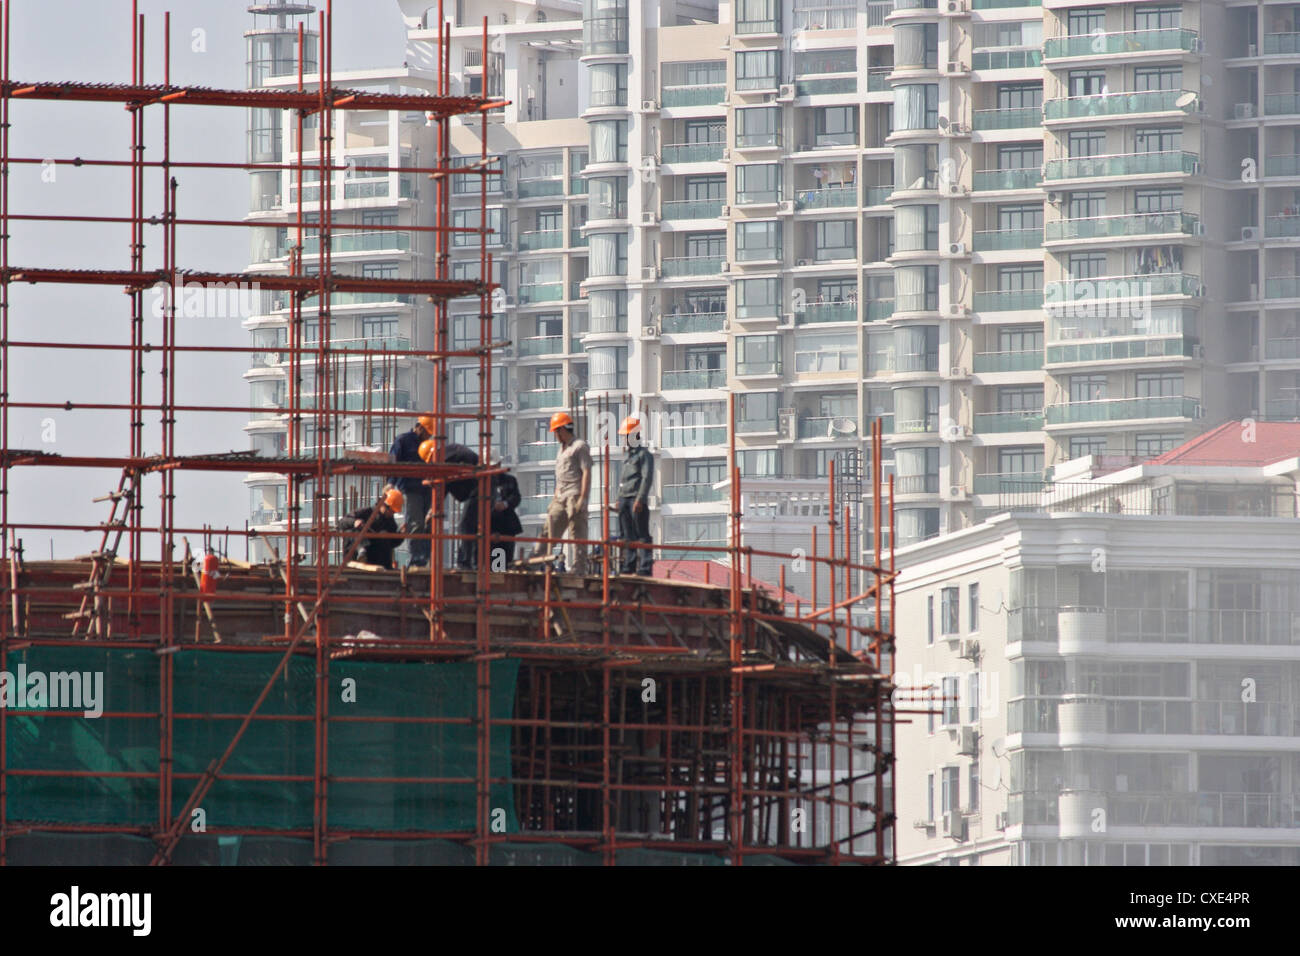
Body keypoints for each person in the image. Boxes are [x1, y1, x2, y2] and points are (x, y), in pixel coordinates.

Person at [537, 411, 591, 574]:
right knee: (549, 529)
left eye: (556, 432)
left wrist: (583, 498)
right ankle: (537, 561)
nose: (555, 435)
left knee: (577, 533)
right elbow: (559, 477)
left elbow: (586, 472)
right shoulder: (561, 450)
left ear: (562, 430)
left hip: (574, 494)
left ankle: (579, 569)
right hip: (560, 497)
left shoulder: (579, 446)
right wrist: (554, 498)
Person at [416, 438, 480, 566]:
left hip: (479, 490)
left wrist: (432, 510)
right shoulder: (451, 453)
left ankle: (466, 563)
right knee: (474, 527)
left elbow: (442, 487)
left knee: (466, 525)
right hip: (480, 488)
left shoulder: (445, 459)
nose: (432, 465)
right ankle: (474, 562)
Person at [458, 456, 523, 570]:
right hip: (485, 527)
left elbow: (516, 497)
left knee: (501, 564)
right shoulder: (477, 482)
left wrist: (505, 504)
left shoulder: (509, 480)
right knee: (481, 561)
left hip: (505, 527)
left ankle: (499, 576)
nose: (493, 469)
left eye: (495, 465)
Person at [388, 415, 434, 567]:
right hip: (410, 488)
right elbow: (393, 462)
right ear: (419, 427)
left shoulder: (428, 444)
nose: (429, 436)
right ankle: (416, 559)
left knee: (429, 524)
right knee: (416, 524)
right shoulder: (403, 440)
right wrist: (391, 483)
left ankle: (424, 559)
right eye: (428, 432)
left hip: (427, 488)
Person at [615, 415, 655, 576]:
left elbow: (647, 478)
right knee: (627, 535)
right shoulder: (628, 457)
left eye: (626, 436)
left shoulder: (644, 455)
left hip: (636, 499)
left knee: (642, 534)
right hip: (625, 499)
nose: (624, 439)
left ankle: (645, 567)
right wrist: (619, 499)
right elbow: (623, 481)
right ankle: (629, 566)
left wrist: (640, 499)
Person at [338, 488, 403, 569]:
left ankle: (384, 566)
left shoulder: (389, 521)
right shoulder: (366, 512)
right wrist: (354, 522)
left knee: (384, 535)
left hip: (376, 560)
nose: (392, 514)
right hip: (355, 556)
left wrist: (401, 534)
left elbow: (392, 543)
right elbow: (341, 522)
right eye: (391, 511)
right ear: (384, 505)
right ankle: (361, 552)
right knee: (352, 531)